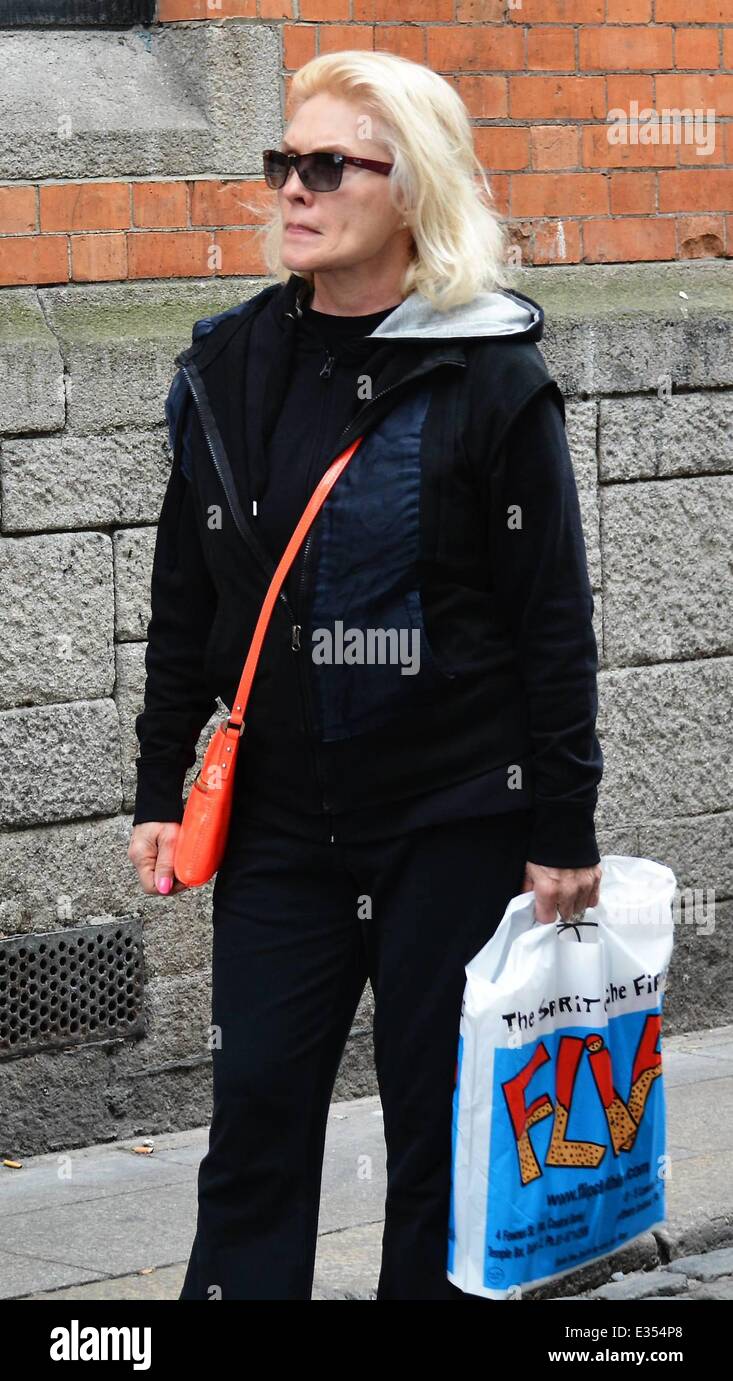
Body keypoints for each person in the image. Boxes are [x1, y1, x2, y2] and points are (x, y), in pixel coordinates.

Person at [127, 49, 603, 1301]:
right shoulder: (227, 366)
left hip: (452, 813)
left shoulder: (489, 374)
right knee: (254, 1122)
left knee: (442, 1138)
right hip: (281, 821)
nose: (293, 186)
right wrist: (155, 789)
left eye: (327, 164)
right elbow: (189, 596)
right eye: (283, 162)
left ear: (412, 189)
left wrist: (563, 824)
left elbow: (550, 619)